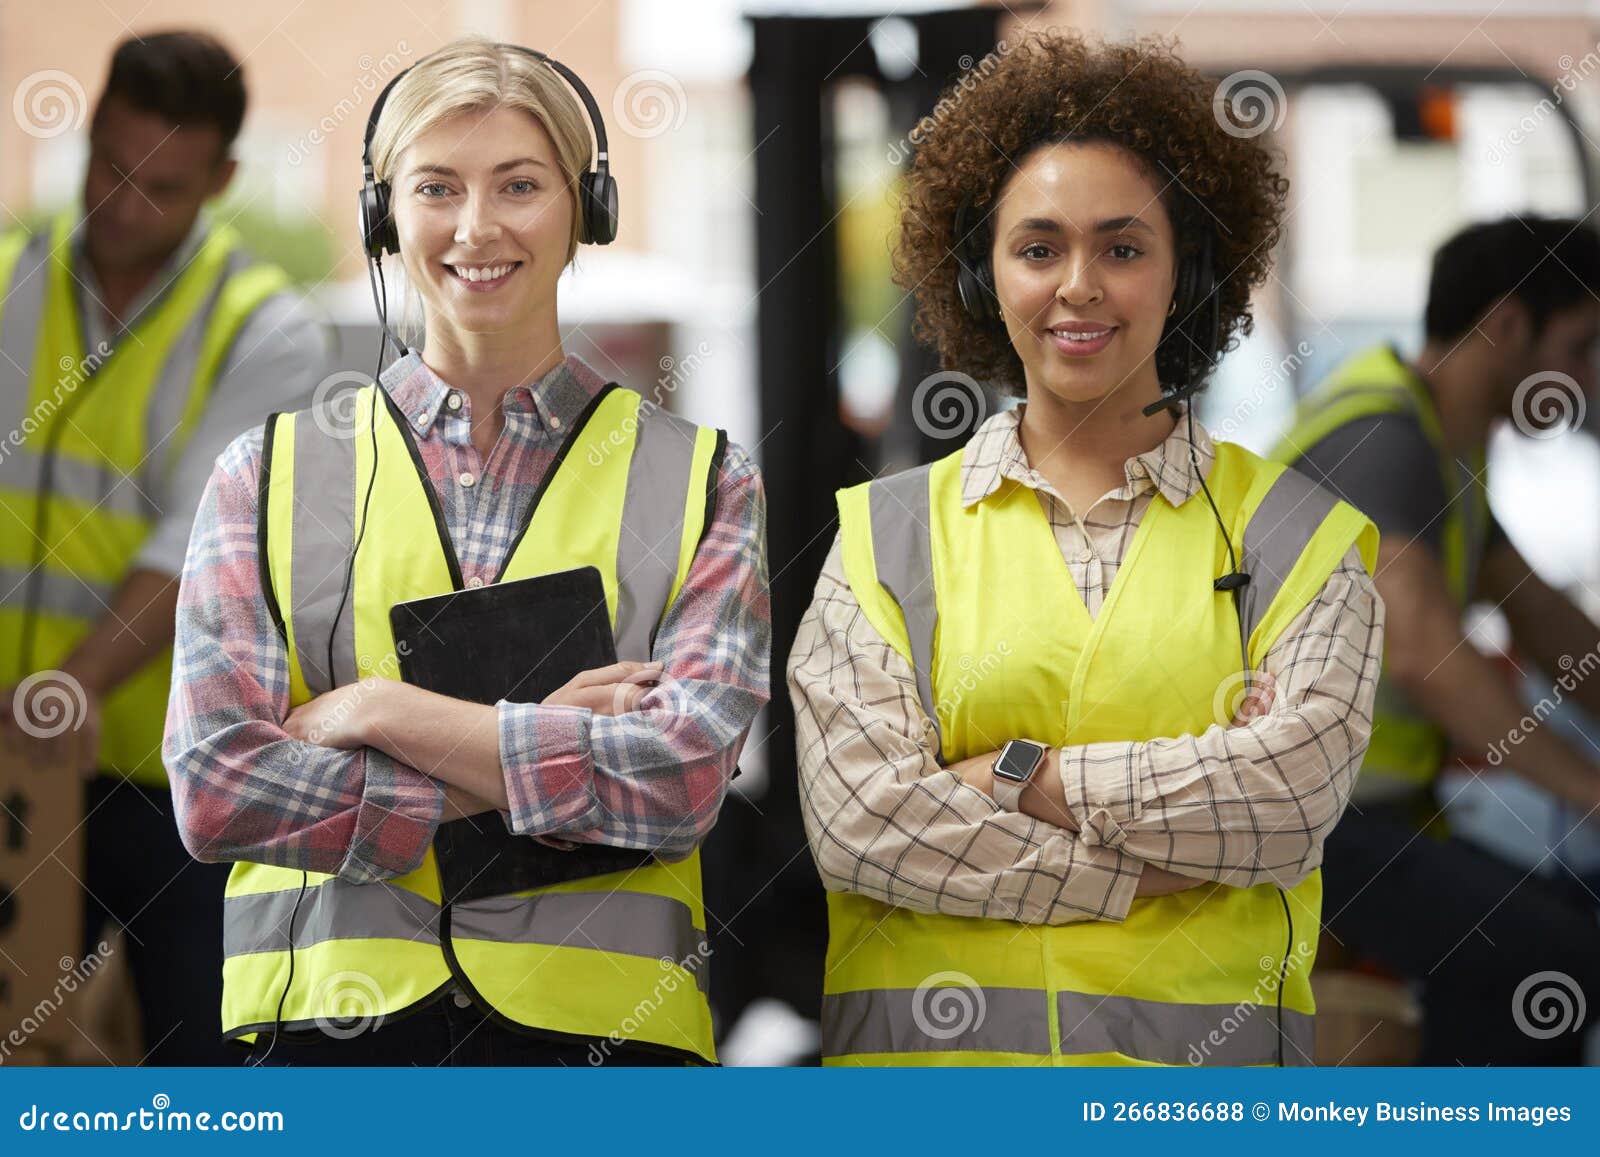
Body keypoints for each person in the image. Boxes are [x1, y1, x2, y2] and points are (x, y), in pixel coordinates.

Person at [162, 36, 769, 1067]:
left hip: (603, 1048)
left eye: (519, 185)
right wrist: (546, 748)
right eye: (436, 187)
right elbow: (219, 785)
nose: (476, 227)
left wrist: (378, 711)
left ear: (587, 209)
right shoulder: (264, 474)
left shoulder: (705, 478)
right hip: (324, 1041)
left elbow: (681, 779)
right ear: (384, 216)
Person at [790, 29, 1385, 1066]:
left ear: (1186, 271)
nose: (1078, 285)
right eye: (1036, 247)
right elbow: (861, 827)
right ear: (980, 277)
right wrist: (1149, 861)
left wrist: (1012, 777)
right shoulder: (883, 537)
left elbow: (1285, 800)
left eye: (1122, 246)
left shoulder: (1297, 536)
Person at [0, 30, 327, 1065]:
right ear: (88, 132)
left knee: (197, 1058)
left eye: (164, 184)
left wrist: (76, 680)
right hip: (15, 766)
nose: (124, 203)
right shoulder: (9, 283)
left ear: (223, 178)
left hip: (179, 780)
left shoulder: (260, 330)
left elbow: (192, 540)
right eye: (109, 167)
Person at [1271, 216, 1600, 1065]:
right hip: (1297, 821)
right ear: (1506, 326)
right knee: (1551, 955)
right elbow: (1428, 656)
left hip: (1367, 818)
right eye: (1582, 344)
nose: (1589, 377)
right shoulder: (1384, 441)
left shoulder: (1443, 454)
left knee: (1572, 919)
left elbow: (1552, 629)